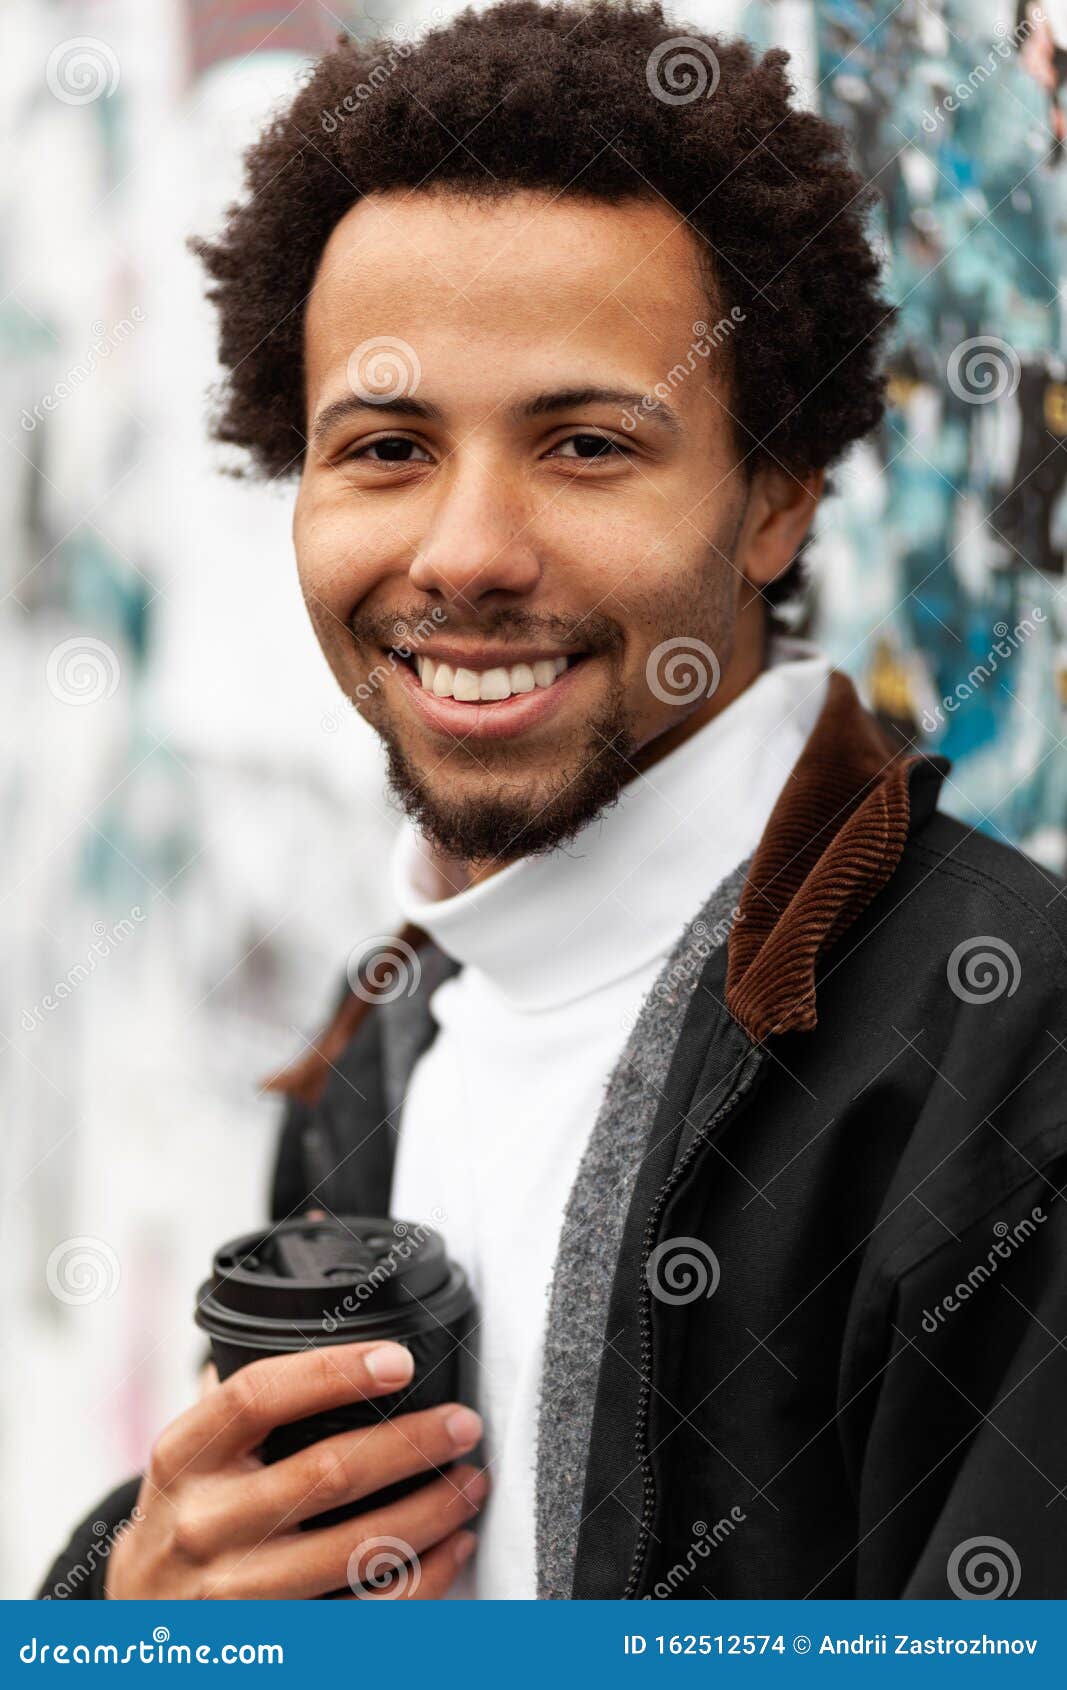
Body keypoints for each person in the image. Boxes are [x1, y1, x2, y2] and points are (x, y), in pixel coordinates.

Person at [41, 0, 1067, 1601]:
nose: (463, 552)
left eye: (587, 444)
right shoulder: (371, 1058)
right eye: (384, 447)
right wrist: (122, 1610)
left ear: (776, 497)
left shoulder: (1005, 1053)